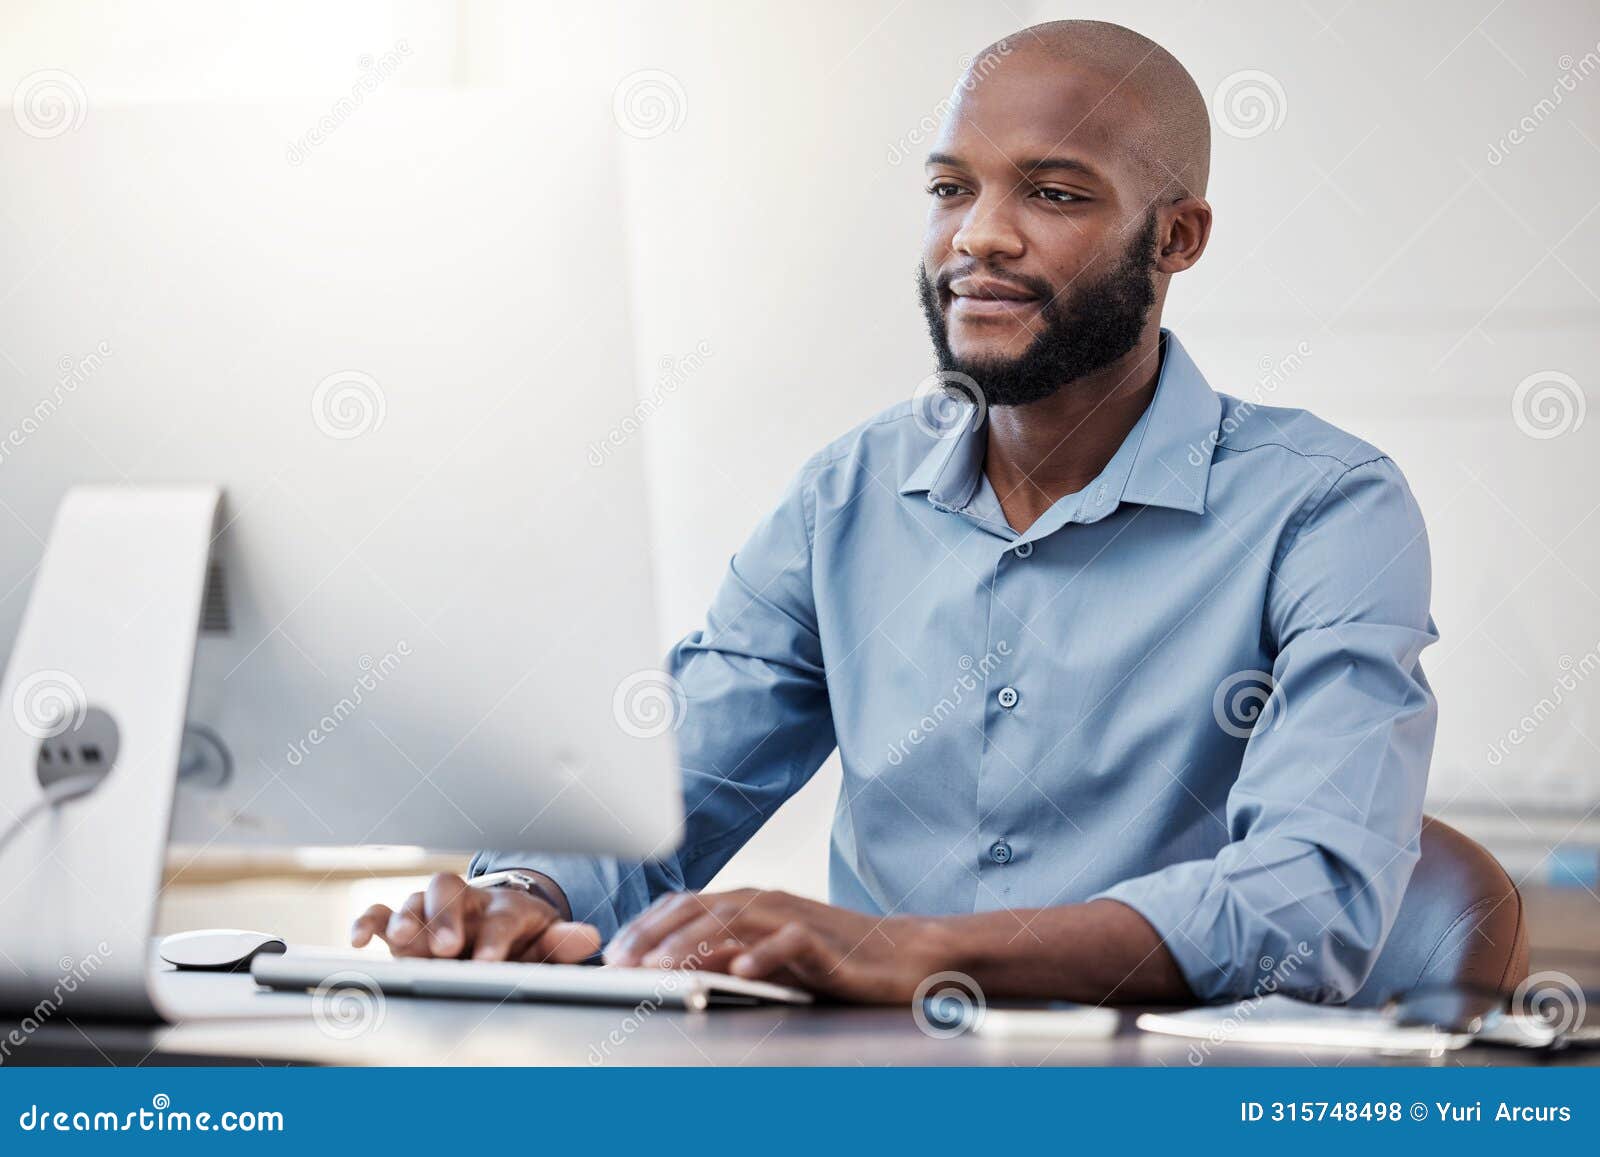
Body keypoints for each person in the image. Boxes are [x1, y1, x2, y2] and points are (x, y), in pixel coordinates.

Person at [352, 19, 1436, 1006]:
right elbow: (669, 792)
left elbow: (1309, 902)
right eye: (951, 188)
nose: (980, 238)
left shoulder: (1326, 506)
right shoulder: (848, 493)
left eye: (1053, 194)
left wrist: (919, 946)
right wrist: (522, 891)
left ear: (1176, 238)